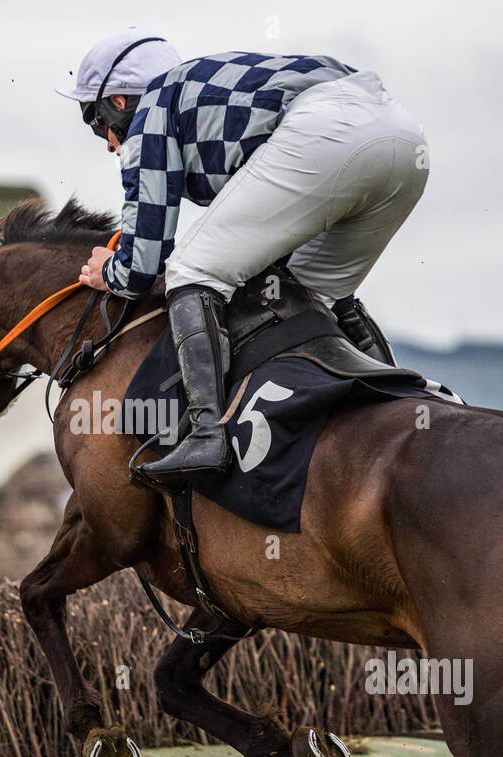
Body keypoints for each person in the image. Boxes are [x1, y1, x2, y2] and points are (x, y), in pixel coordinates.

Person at [60, 27, 429, 487]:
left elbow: (144, 262)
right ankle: (408, 401)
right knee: (314, 290)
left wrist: (108, 274)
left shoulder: (153, 105)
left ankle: (206, 434)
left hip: (326, 131)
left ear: (117, 102)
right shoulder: (208, 85)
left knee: (191, 269)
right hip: (405, 138)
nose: (109, 144)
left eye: (96, 124)